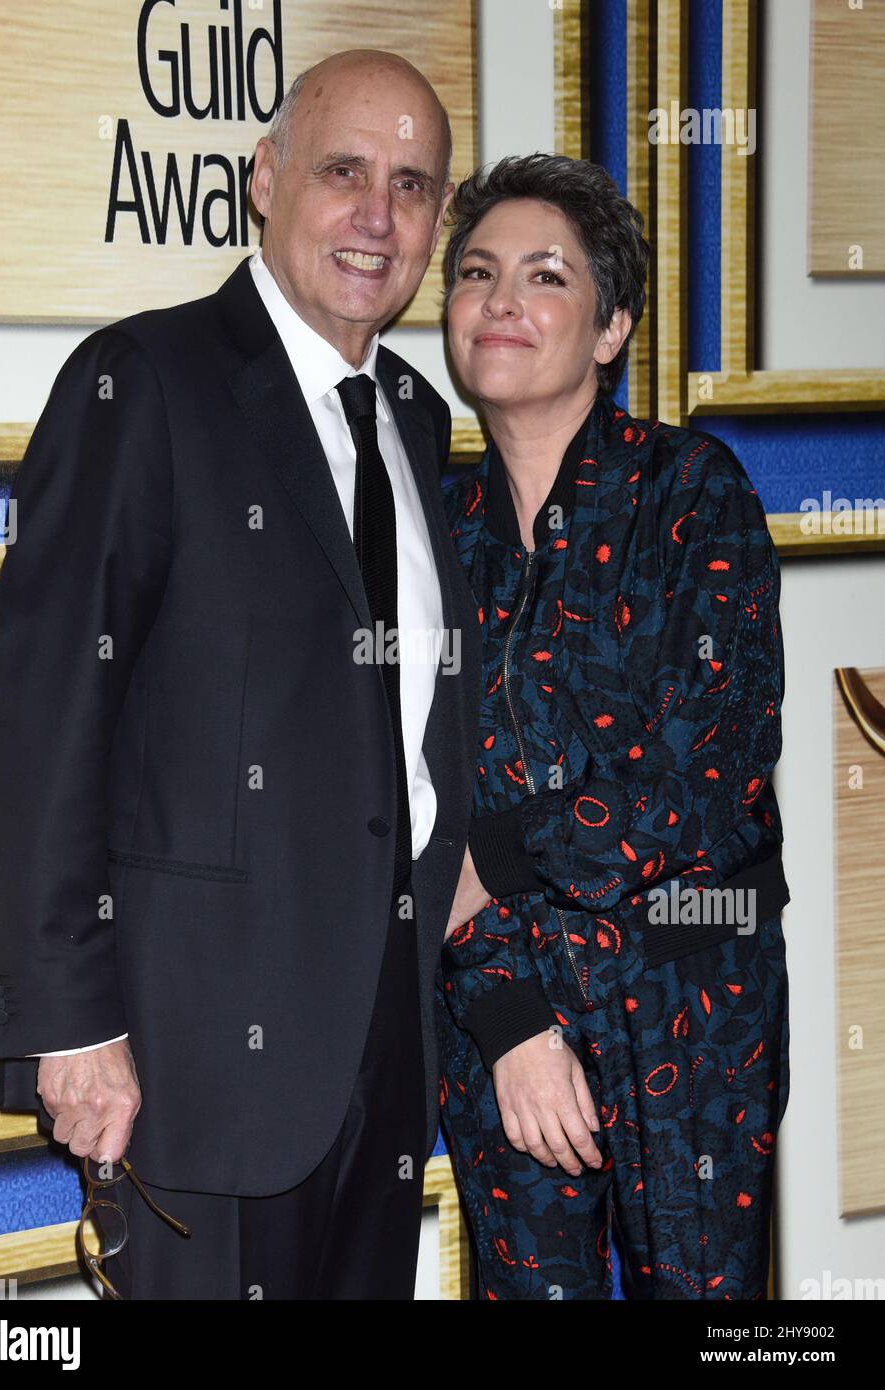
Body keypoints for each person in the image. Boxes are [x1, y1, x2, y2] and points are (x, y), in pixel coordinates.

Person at [0, 48, 482, 1300]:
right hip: (193, 1061)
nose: (378, 216)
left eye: (412, 186)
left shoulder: (417, 417)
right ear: (265, 180)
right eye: (344, 172)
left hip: (383, 1047)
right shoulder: (143, 381)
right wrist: (75, 1028)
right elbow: (46, 721)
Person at [436, 153, 791, 1300]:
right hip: (506, 1016)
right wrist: (506, 1016)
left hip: (694, 1005)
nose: (500, 301)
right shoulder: (426, 530)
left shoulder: (693, 490)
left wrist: (497, 853)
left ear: (609, 327)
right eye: (477, 272)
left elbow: (708, 775)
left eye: (543, 277)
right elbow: (404, 800)